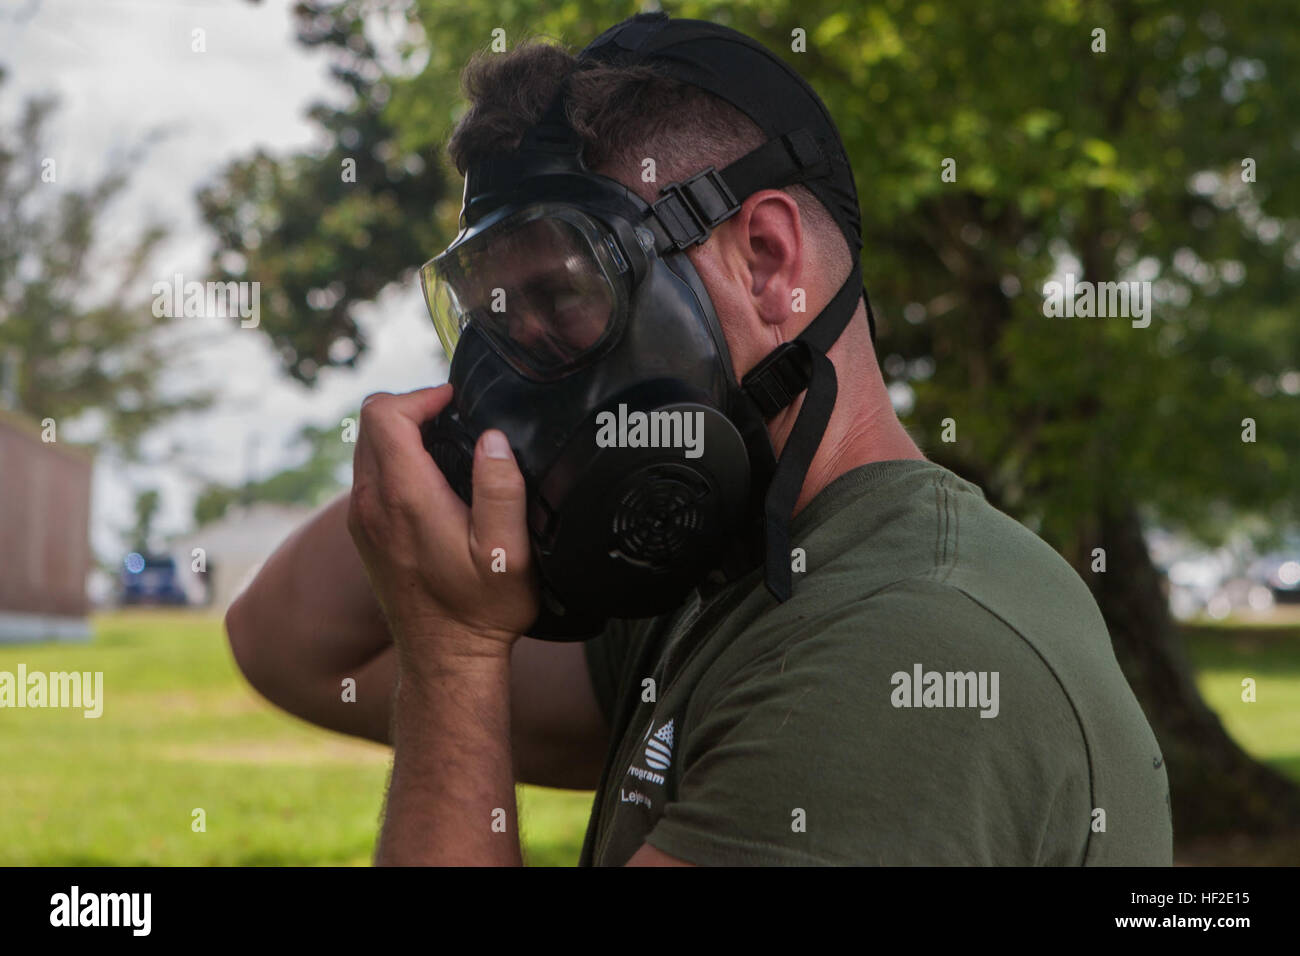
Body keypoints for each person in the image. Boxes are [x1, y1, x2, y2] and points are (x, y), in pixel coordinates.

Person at [225, 13, 1172, 866]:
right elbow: (287, 645)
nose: (522, 373)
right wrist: (464, 452)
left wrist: (457, 655)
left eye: (563, 297)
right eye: (497, 325)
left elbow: (380, 662)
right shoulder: (728, 589)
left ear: (767, 264)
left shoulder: (905, 650)